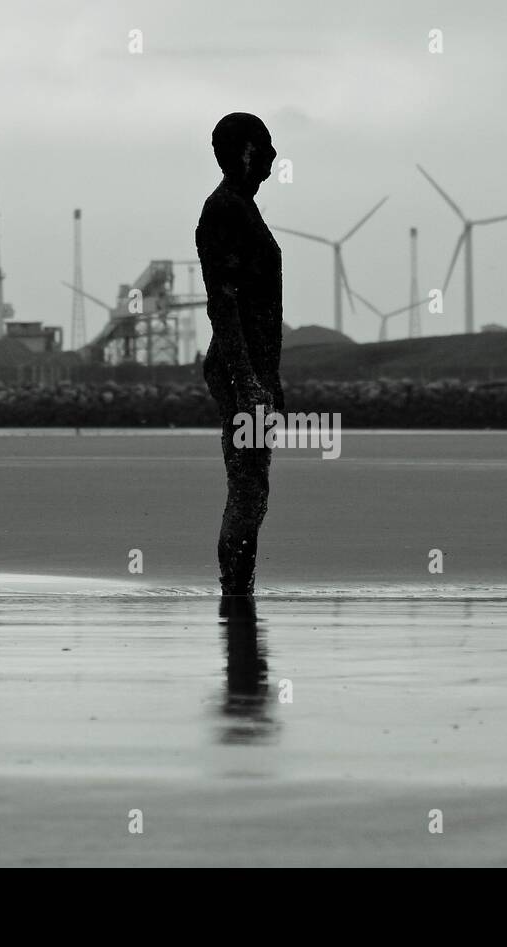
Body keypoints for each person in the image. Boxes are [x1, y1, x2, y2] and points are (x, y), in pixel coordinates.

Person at [196, 112, 283, 598]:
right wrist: (247, 380)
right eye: (267, 146)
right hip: (238, 374)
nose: (273, 156)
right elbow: (222, 304)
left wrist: (270, 379)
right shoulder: (225, 210)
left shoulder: (242, 209)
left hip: (251, 373)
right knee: (248, 487)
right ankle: (235, 592)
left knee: (253, 486)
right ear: (248, 151)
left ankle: (239, 591)